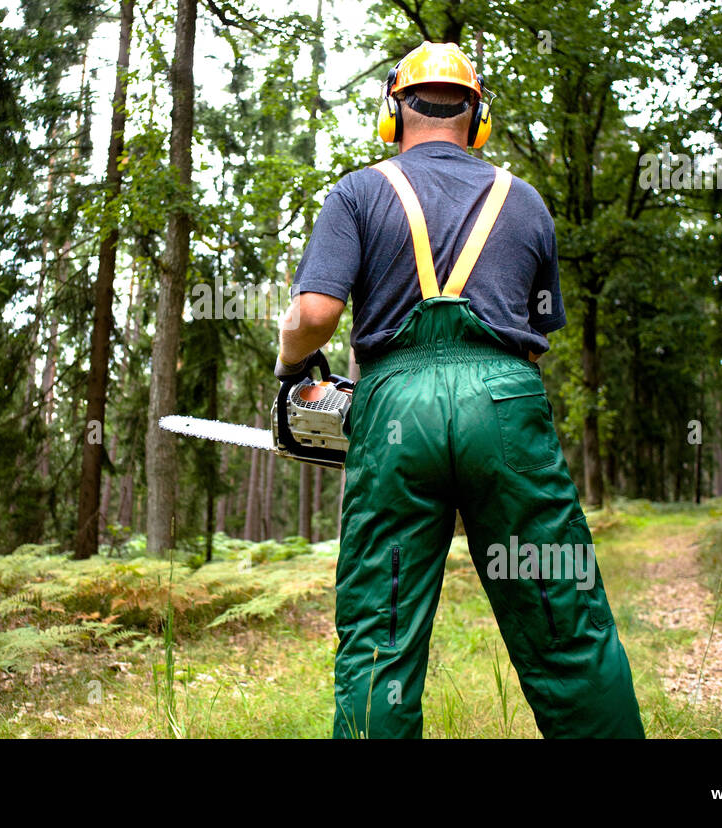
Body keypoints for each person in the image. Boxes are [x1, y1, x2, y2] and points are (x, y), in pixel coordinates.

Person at [276, 41, 645, 739]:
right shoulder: (526, 201)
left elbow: (317, 314)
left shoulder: (357, 192)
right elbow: (536, 335)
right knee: (565, 620)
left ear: (394, 115)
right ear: (477, 119)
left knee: (379, 638)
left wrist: (292, 368)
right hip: (506, 406)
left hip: (393, 413)